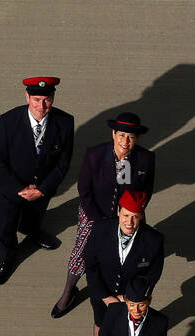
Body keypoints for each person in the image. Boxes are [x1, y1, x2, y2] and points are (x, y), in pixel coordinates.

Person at [52, 112, 155, 318]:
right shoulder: (95, 154)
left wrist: (131, 214)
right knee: (82, 252)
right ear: (113, 134)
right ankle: (68, 291)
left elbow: (146, 191)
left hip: (128, 217)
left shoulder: (146, 159)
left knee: (131, 255)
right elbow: (84, 189)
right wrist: (99, 221)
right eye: (122, 135)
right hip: (94, 213)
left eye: (131, 137)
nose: (125, 141)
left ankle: (119, 290)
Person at [0, 76, 74, 285]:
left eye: (46, 100)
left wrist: (42, 189)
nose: (41, 106)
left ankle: (32, 231)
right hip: (12, 188)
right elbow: (0, 160)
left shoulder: (65, 122)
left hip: (42, 189)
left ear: (53, 98)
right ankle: (7, 253)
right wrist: (18, 189)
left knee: (35, 216)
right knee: (5, 226)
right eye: (36, 99)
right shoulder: (8, 121)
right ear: (27, 97)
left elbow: (63, 163)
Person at [82, 189, 164, 326]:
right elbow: (90, 265)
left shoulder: (154, 240)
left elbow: (153, 274)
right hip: (101, 296)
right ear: (118, 211)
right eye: (126, 215)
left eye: (135, 217)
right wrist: (105, 297)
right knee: (100, 325)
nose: (129, 222)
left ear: (141, 217)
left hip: (133, 303)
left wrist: (129, 298)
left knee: (128, 331)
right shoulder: (100, 230)